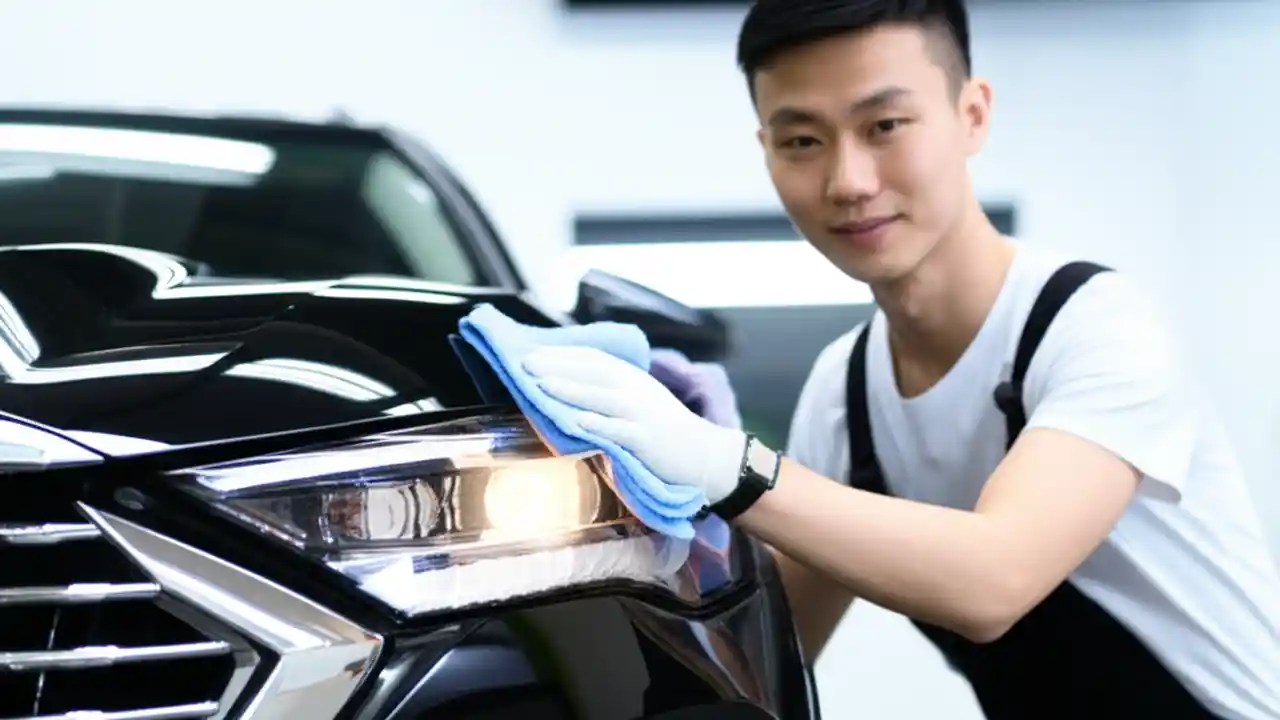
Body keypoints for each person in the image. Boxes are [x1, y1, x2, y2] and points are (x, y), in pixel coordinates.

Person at [521, 0, 1280, 717]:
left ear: (972, 114)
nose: (848, 181)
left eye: (884, 125)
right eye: (802, 141)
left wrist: (727, 465)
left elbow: (995, 578)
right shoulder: (843, 396)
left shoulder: (1095, 325)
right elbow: (764, 665)